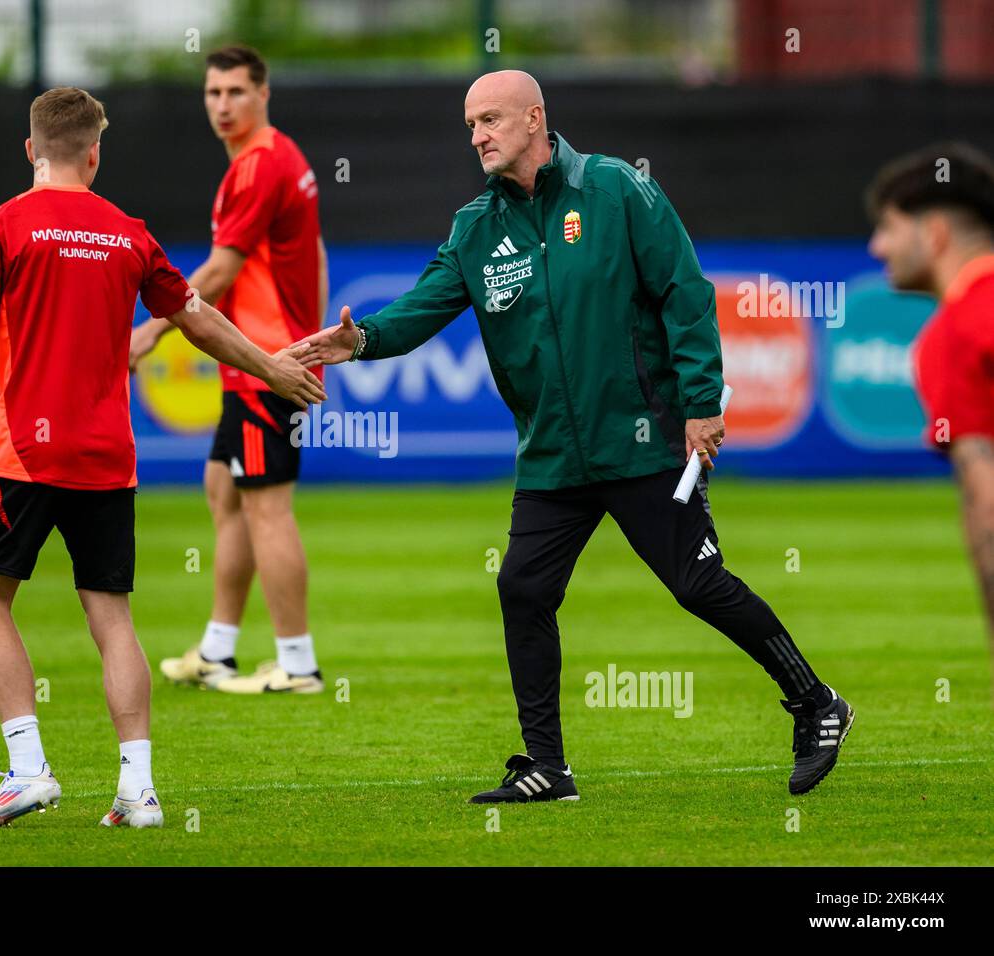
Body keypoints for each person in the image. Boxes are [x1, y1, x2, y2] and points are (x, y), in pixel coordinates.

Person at [296, 70, 854, 801]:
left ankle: (817, 703)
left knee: (697, 583)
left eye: (491, 119)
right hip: (554, 452)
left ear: (535, 118)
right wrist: (361, 340)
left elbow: (684, 291)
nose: (478, 136)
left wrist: (699, 401)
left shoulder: (616, 189)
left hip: (643, 438)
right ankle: (547, 768)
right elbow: (423, 305)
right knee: (522, 589)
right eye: (470, 125)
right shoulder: (476, 226)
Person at [0, 87, 325, 829]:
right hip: (108, 457)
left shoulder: (3, 225)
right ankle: (138, 790)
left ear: (30, 151)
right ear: (95, 154)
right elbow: (197, 318)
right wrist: (271, 367)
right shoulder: (127, 232)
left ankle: (26, 769)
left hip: (24, 455)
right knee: (111, 618)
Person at [131, 46, 328, 694]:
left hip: (265, 367)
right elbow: (316, 250)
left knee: (267, 509)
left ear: (263, 93)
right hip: (270, 359)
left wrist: (152, 332)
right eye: (213, 92)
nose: (222, 104)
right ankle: (217, 650)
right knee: (224, 491)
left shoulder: (260, 167)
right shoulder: (282, 158)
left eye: (236, 92)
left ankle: (297, 663)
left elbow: (217, 273)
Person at [867, 141, 994, 665]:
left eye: (889, 228)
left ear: (934, 233)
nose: (877, 247)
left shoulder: (952, 335)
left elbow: (987, 501)